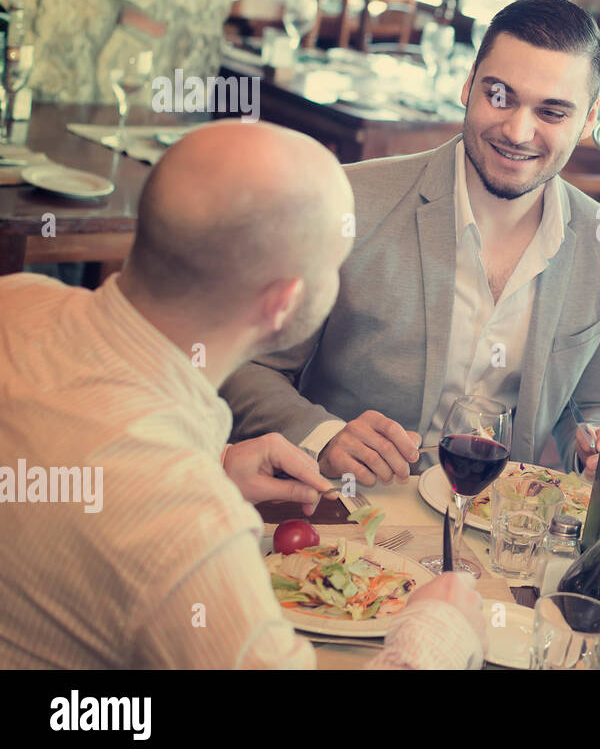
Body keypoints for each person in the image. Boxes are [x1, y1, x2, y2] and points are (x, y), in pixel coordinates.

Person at [0, 121, 484, 669]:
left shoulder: (16, 298)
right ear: (280, 305)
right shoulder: (190, 527)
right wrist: (436, 632)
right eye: (333, 264)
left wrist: (217, 460)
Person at [220, 0, 600, 483]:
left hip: (498, 535)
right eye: (499, 95)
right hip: (346, 514)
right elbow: (245, 365)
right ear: (468, 84)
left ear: (588, 120)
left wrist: (599, 446)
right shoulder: (347, 201)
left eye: (552, 112)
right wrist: (323, 435)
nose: (518, 131)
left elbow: (595, 407)